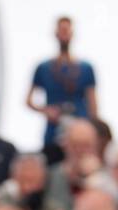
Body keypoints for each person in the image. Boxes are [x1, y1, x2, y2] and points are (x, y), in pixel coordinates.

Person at [27, 16, 98, 150]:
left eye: (67, 30)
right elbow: (28, 100)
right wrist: (46, 111)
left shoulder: (86, 68)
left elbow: (93, 105)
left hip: (80, 135)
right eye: (61, 30)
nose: (64, 34)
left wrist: (92, 131)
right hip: (53, 134)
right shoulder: (44, 68)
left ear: (72, 33)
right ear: (56, 33)